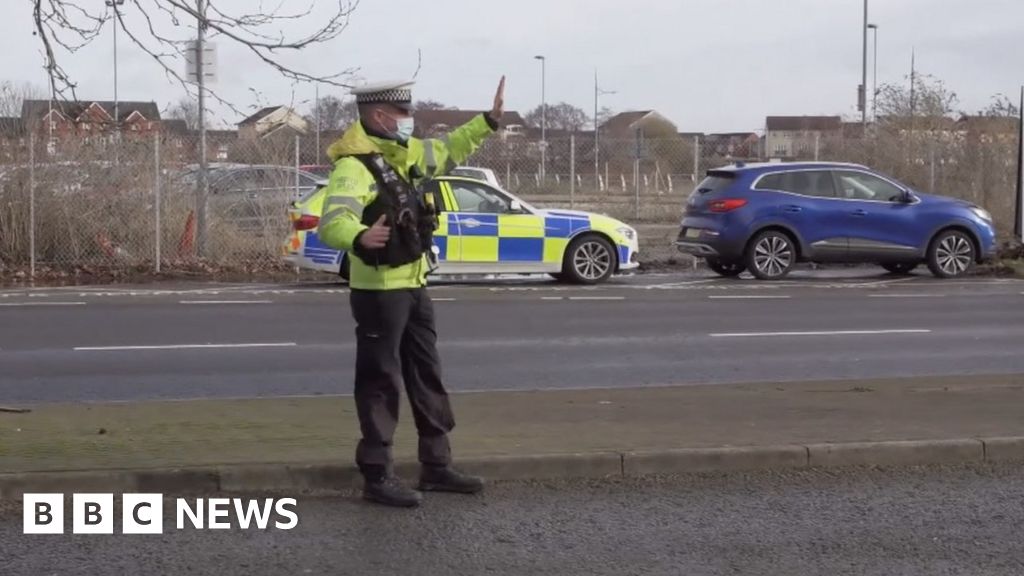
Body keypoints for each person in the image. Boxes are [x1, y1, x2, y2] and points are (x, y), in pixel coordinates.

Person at [317, 76, 506, 508]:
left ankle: (436, 466)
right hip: (380, 290)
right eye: (404, 114)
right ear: (381, 116)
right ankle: (377, 474)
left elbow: (450, 148)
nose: (410, 120)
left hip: (414, 283)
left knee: (427, 375)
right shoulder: (354, 165)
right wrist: (360, 235)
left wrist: (488, 122)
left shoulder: (406, 154)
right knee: (380, 381)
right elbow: (333, 222)